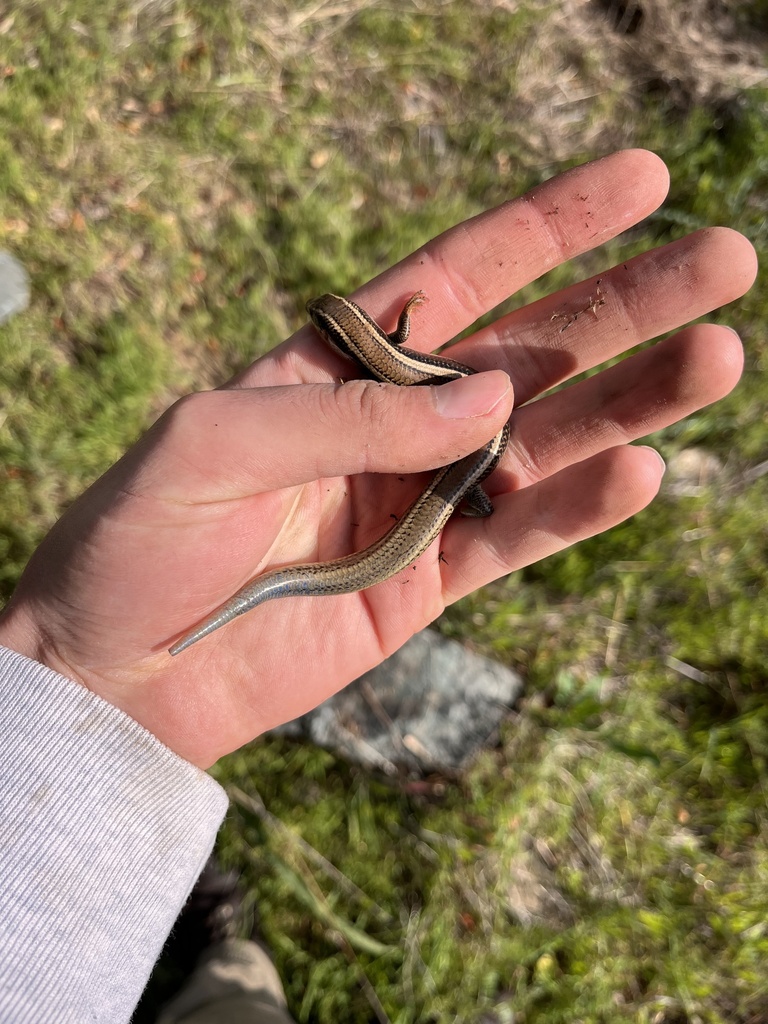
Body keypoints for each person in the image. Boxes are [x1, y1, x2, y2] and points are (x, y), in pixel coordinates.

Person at [0, 150, 757, 1023]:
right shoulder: (394, 358)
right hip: (445, 481)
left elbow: (389, 353)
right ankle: (228, 968)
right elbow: (393, 349)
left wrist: (72, 685)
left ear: (346, 347)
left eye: (331, 334)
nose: (324, 336)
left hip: (446, 483)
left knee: (458, 489)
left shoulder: (383, 361)